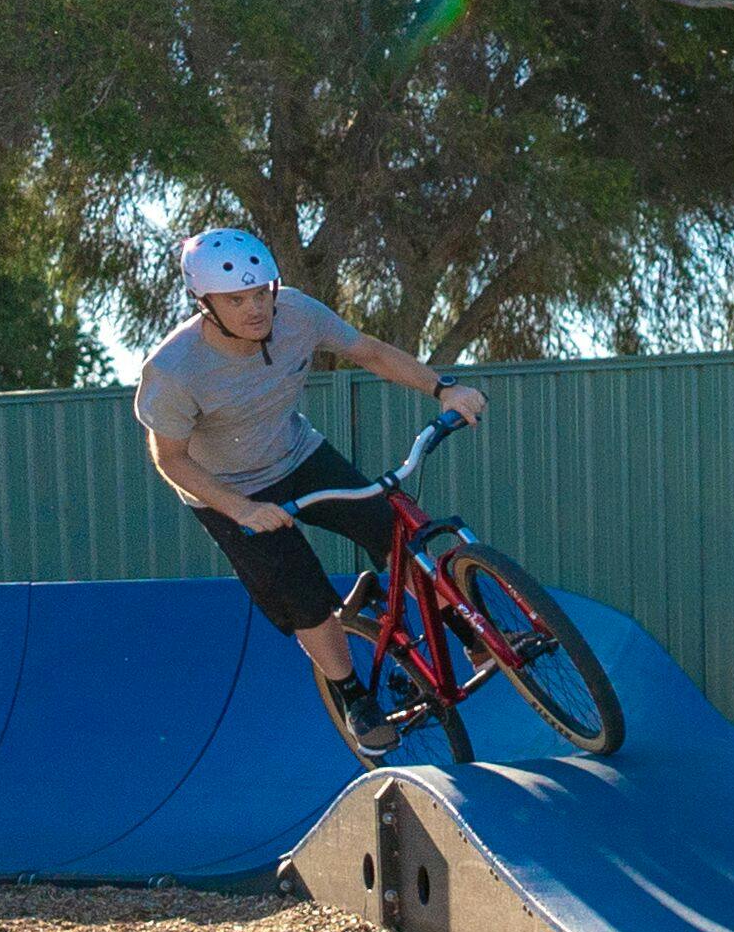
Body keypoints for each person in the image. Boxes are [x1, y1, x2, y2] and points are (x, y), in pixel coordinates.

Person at [133, 227, 486, 758]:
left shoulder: (295, 312)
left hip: (298, 457)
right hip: (225, 491)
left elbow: (367, 351)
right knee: (303, 595)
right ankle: (352, 694)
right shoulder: (174, 369)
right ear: (204, 304)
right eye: (236, 299)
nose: (256, 309)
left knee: (396, 533)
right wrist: (242, 509)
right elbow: (170, 458)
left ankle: (471, 630)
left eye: (262, 292)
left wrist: (443, 388)